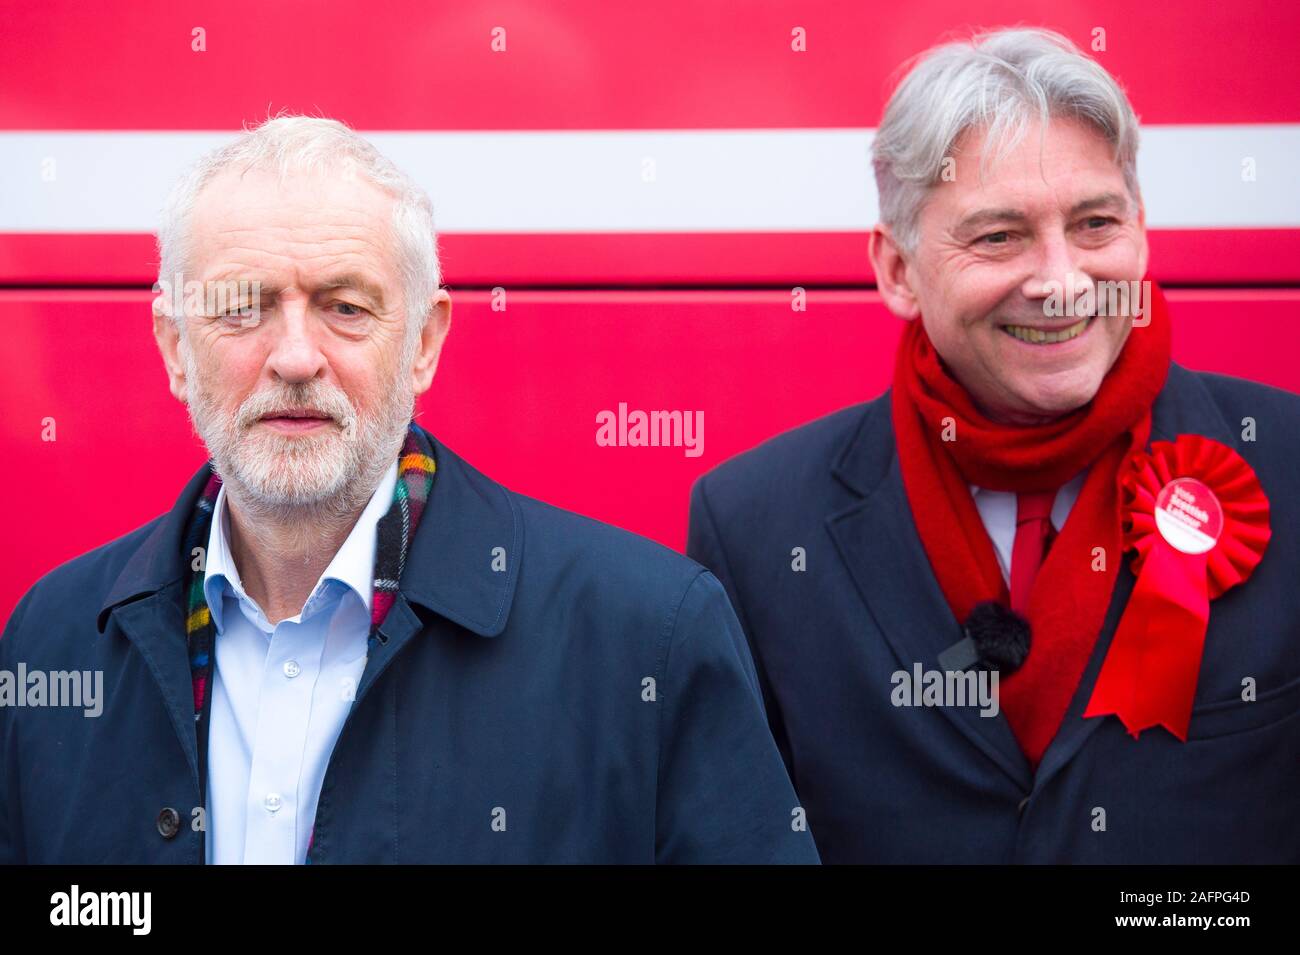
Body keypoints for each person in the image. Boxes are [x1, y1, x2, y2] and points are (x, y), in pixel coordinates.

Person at [0, 116, 818, 865]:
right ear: (175, 346)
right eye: (241, 308)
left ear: (423, 343)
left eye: (345, 306)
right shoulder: (53, 643)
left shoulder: (650, 636)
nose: (294, 357)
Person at [687, 28, 1299, 863]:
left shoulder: (1289, 465)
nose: (1060, 281)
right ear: (897, 269)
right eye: (998, 236)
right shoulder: (754, 525)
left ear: (1142, 232)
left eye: (1094, 223)